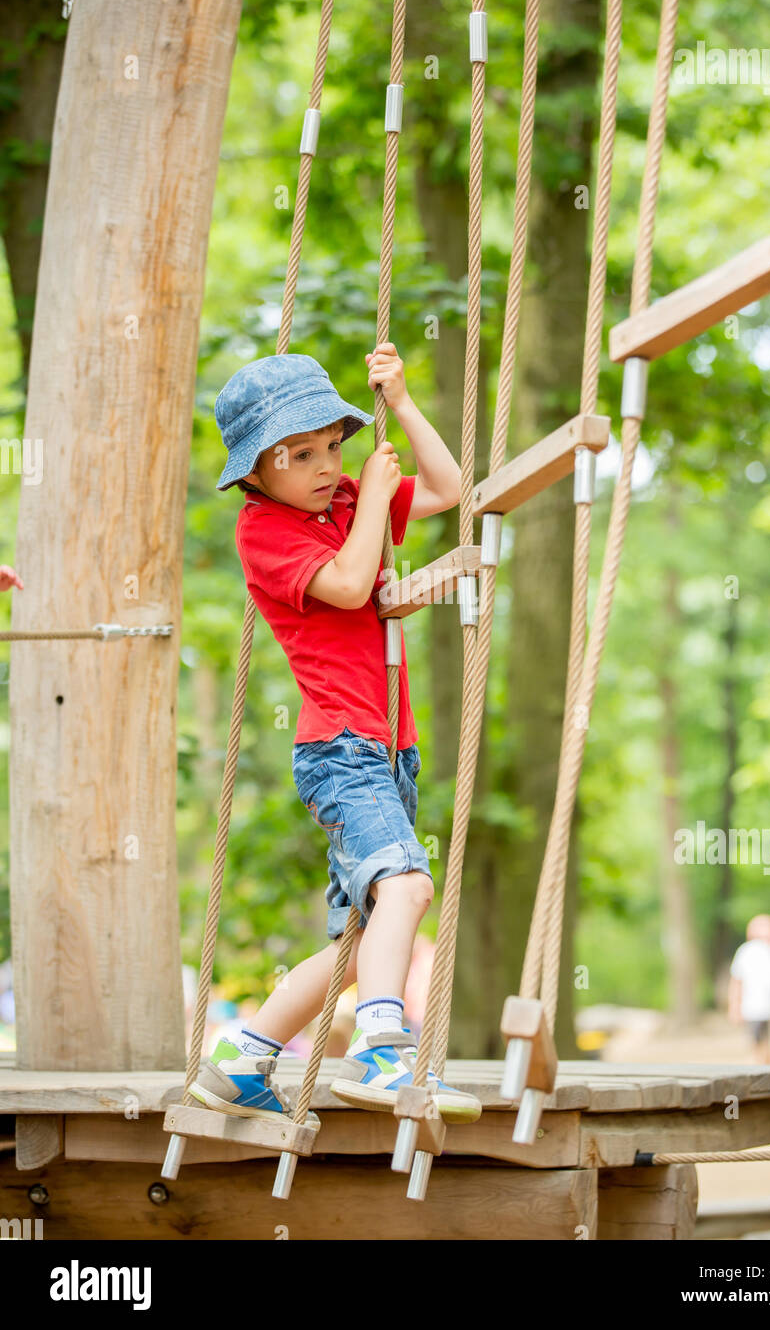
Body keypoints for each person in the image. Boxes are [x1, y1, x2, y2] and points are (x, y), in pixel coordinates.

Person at [192, 346, 481, 1125]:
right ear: (255, 472)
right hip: (342, 748)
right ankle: (383, 1050)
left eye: (332, 446)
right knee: (410, 886)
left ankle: (244, 1059)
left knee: (359, 939)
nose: (326, 466)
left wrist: (406, 402)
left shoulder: (349, 500)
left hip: (390, 753)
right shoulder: (266, 531)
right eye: (301, 454)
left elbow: (453, 490)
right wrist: (376, 497)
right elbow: (352, 585)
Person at [728, 914, 770, 1063]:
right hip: (754, 1007)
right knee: (757, 1042)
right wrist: (735, 1005)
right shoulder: (747, 951)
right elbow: (737, 980)